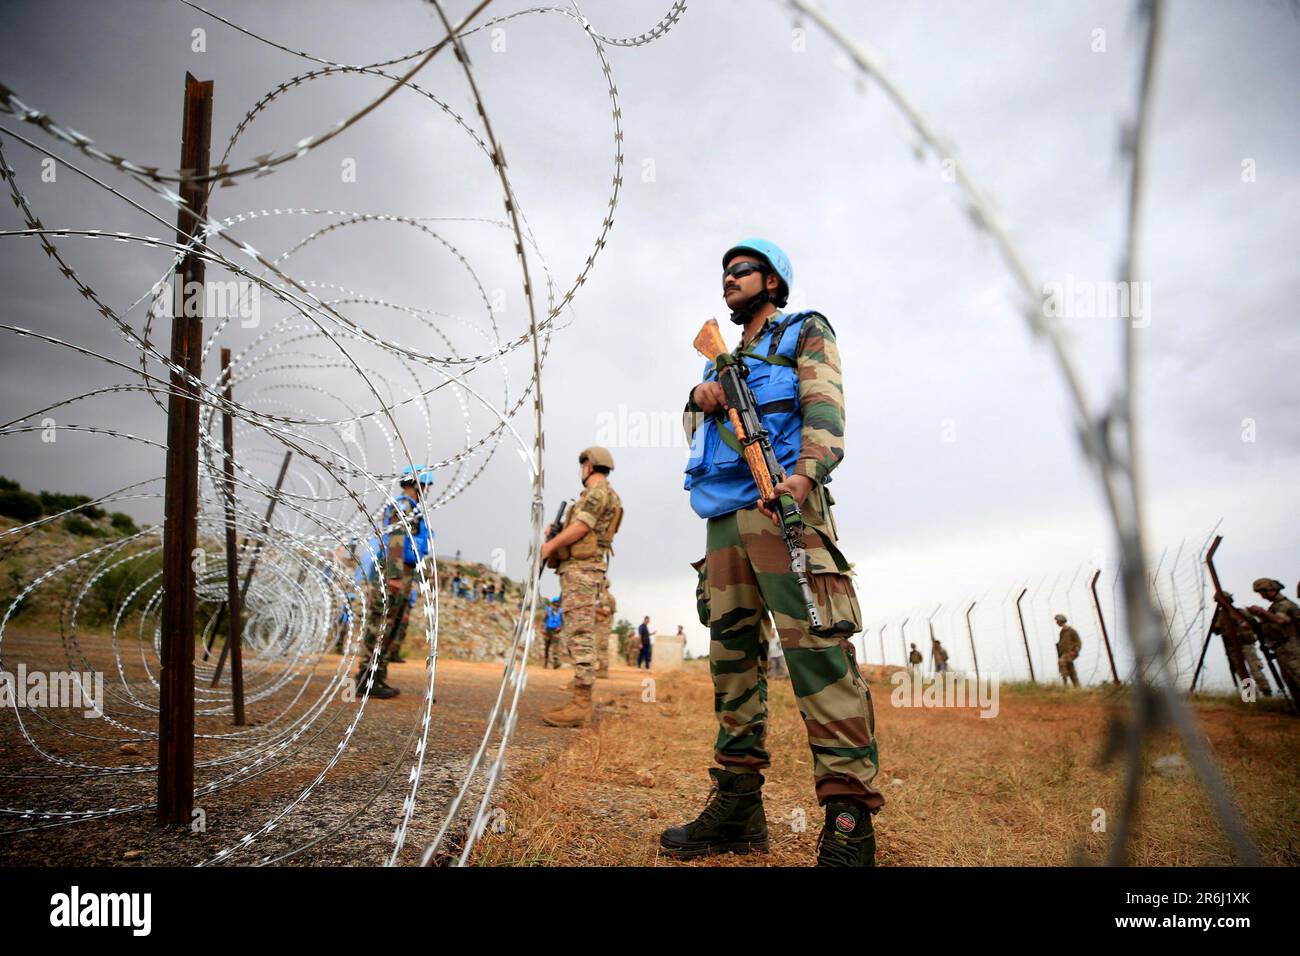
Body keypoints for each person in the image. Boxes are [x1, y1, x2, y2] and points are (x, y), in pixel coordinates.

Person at [660, 238, 880, 867]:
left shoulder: (803, 331)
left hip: (784, 505)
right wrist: (699, 397)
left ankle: (849, 823)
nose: (729, 279)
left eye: (742, 271)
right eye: (725, 273)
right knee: (732, 664)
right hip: (725, 520)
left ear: (773, 281)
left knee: (817, 655)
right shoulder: (719, 360)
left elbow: (826, 410)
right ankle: (737, 808)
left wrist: (805, 476)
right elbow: (696, 437)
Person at [539, 447, 623, 727]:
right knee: (577, 631)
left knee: (581, 633)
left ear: (589, 466)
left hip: (583, 571)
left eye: (583, 466)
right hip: (583, 569)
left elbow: (582, 527)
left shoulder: (597, 493)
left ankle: (581, 704)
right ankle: (579, 699)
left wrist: (550, 545)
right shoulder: (603, 494)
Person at [1245, 578, 1300, 702]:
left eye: (1263, 592)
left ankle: (1263, 694)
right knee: (1290, 681)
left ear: (1271, 590)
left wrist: (1262, 612)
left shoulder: (1285, 605)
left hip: (1292, 648)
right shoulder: (1274, 607)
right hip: (1281, 648)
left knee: (1297, 675)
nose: (1262, 596)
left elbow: (1281, 620)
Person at [1211, 593, 1271, 696]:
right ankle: (1252, 696)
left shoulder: (1240, 612)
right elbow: (1216, 630)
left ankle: (1266, 692)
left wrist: (1247, 625)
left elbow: (1255, 624)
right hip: (1233, 647)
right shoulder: (1219, 616)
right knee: (1242, 672)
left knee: (1255, 669)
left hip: (1246, 644)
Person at [1054, 614, 1081, 688]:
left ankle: (1065, 684)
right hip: (1063, 653)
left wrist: (1075, 651)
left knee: (1061, 662)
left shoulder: (1071, 631)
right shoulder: (1062, 632)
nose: (1056, 623)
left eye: (1057, 621)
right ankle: (1077, 687)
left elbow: (1078, 642)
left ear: (1061, 621)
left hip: (1070, 653)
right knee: (1071, 670)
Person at [594, 588, 616, 678]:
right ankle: (601, 669)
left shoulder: (606, 597)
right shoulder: (601, 597)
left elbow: (606, 612)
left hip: (603, 627)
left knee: (602, 648)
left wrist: (593, 607)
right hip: (599, 626)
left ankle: (603, 671)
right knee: (598, 647)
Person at [543, 597, 564, 669]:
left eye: (557, 605)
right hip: (548, 630)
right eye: (554, 604)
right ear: (552, 604)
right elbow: (544, 620)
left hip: (556, 631)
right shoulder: (548, 611)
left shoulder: (561, 612)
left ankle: (555, 663)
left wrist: (560, 627)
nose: (556, 606)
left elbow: (563, 622)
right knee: (547, 646)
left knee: (555, 647)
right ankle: (546, 661)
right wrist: (543, 629)